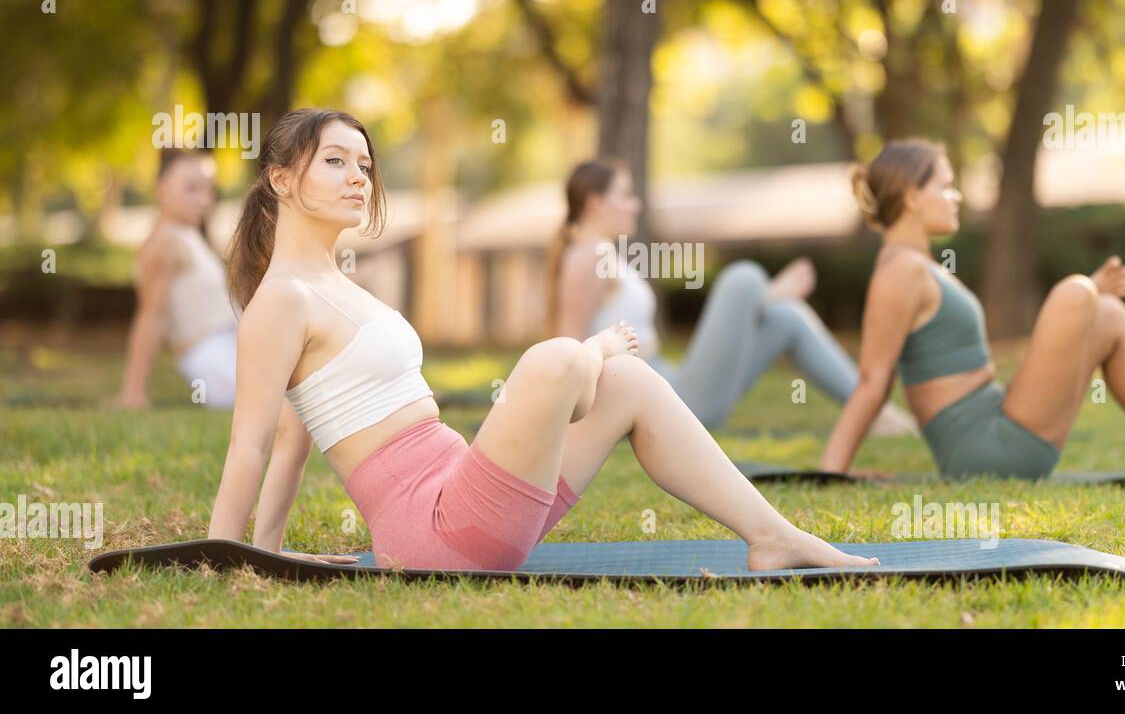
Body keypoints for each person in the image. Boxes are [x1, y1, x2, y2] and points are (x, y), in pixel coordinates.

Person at [207, 107, 878, 572]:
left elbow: (298, 437)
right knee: (560, 356)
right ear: (281, 178)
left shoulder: (338, 285)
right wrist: (229, 553)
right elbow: (256, 441)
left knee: (632, 382)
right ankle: (589, 359)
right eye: (336, 161)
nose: (359, 177)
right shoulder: (281, 300)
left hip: (464, 493)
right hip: (433, 529)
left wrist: (272, 546)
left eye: (365, 164)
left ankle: (772, 535)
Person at [820, 138, 1125, 480]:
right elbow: (872, 382)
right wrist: (830, 476)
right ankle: (1090, 289)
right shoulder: (899, 271)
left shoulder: (917, 266)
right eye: (946, 186)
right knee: (1074, 294)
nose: (955, 196)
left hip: (997, 426)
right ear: (912, 198)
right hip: (983, 451)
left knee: (1107, 315)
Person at [547, 158, 918, 435]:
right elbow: (570, 352)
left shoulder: (602, 254)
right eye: (625, 195)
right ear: (595, 203)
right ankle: (764, 295)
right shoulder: (587, 257)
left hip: (670, 381)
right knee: (741, 279)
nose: (635, 204)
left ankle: (872, 412)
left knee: (786, 318)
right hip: (666, 399)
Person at [116, 149, 239, 409]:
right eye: (191, 189)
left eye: (208, 189)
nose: (204, 200)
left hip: (231, 346)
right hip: (214, 359)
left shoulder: (187, 236)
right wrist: (134, 392)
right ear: (161, 190)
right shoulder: (164, 244)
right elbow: (151, 316)